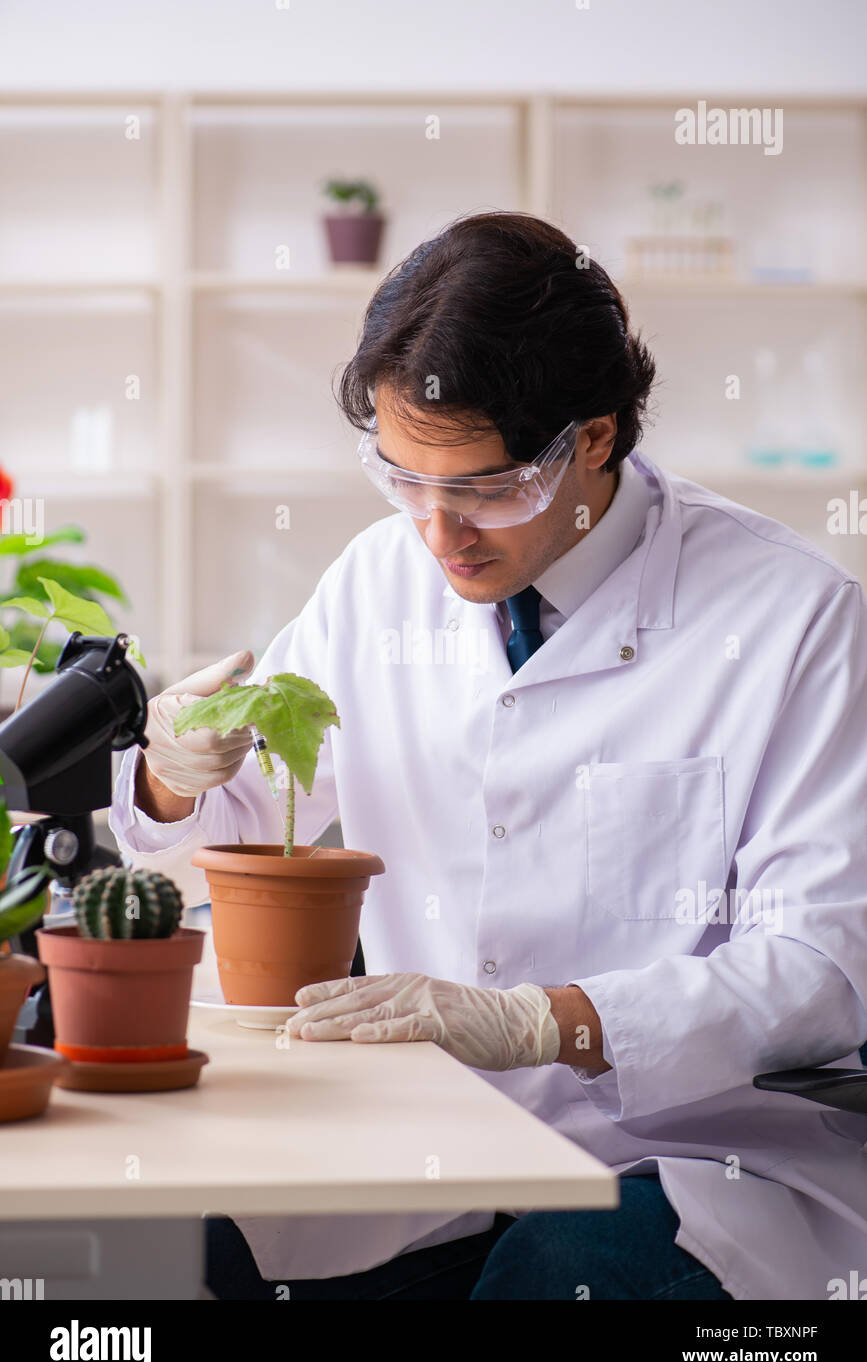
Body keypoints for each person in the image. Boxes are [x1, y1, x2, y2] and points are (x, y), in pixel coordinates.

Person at [110, 211, 867, 1300]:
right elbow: (253, 816)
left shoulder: (791, 618)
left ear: (594, 438)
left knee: (557, 1281)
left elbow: (821, 972)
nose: (437, 533)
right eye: (401, 478)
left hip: (690, 1157)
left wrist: (543, 1021)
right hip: (426, 1138)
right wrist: (171, 777)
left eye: (483, 487)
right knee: (179, 1260)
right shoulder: (379, 581)